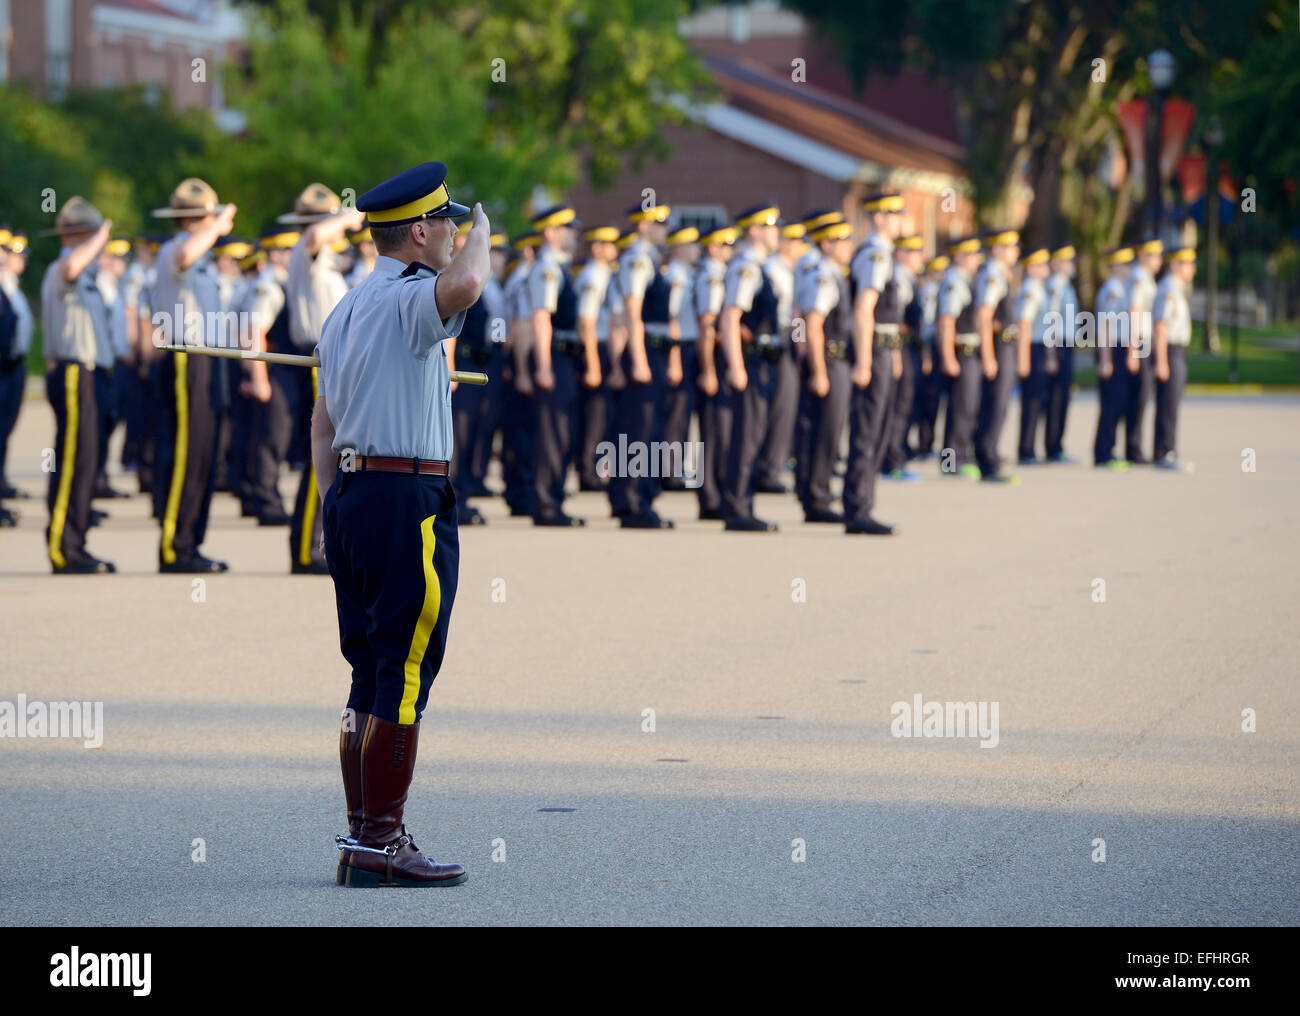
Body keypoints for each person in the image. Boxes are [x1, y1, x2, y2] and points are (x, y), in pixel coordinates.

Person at [322, 160, 484, 889]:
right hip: (402, 498)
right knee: (406, 673)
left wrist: (332, 508)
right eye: (447, 223)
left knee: (370, 673)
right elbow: (466, 286)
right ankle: (383, 844)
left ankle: (365, 839)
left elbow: (323, 423)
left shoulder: (348, 307)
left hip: (354, 496)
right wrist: (485, 232)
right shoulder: (415, 292)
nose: (453, 234)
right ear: (421, 231)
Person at [282, 184, 366, 573]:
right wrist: (353, 213)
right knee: (322, 455)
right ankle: (305, 550)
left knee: (330, 455)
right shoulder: (308, 248)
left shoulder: (326, 257)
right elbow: (317, 234)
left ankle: (318, 543)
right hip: (318, 357)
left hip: (333, 359)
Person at [39, 198, 116, 572]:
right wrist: (100, 238)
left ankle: (75, 542)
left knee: (85, 461)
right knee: (72, 462)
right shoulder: (64, 267)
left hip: (88, 374)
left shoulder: (84, 274)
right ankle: (63, 546)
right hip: (73, 373)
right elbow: (72, 264)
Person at [842, 192, 905, 534]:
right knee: (867, 431)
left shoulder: (882, 253)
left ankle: (864, 504)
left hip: (882, 348)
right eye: (894, 215)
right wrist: (865, 362)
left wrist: (893, 353)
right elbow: (864, 310)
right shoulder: (875, 255)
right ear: (878, 218)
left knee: (877, 430)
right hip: (872, 350)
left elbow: (888, 316)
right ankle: (857, 509)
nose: (900, 220)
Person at [719, 204, 783, 532]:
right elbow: (730, 316)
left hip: (762, 360)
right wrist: (736, 365)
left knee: (755, 434)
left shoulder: (759, 266)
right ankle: (736, 508)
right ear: (755, 231)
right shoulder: (746, 267)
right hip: (751, 360)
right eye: (771, 227)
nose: (778, 233)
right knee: (745, 436)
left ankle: (743, 504)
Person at [610, 200, 674, 528]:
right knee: (638, 431)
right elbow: (631, 313)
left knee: (649, 430)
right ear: (644, 226)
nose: (666, 230)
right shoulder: (637, 259)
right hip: (645, 351)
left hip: (654, 351)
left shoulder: (650, 259)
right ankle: (633, 502)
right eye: (660, 224)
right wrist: (638, 360)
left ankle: (638, 498)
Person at [528, 204, 587, 526]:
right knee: (552, 433)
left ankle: (554, 499)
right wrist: (545, 366)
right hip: (553, 356)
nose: (574, 236)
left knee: (563, 432)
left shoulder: (560, 267)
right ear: (551, 233)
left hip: (564, 356)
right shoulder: (547, 268)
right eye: (567, 230)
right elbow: (541, 318)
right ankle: (546, 504)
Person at [794, 214, 854, 523]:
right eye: (843, 240)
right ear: (827, 243)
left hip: (825, 359)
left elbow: (799, 320)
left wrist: (802, 350)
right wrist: (818, 370)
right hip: (829, 361)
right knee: (825, 431)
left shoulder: (820, 270)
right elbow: (813, 323)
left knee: (815, 428)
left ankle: (811, 492)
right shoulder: (823, 274)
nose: (849, 246)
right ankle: (817, 498)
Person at [755, 221, 807, 493]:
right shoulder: (773, 268)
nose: (799, 246)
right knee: (778, 407)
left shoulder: (795, 269)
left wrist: (800, 345)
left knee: (787, 407)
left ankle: (775, 464)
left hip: (790, 338)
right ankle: (768, 469)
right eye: (795, 240)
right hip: (775, 338)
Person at [693, 224, 736, 521]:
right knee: (714, 432)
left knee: (721, 431)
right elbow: (707, 325)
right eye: (726, 245)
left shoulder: (720, 274)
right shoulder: (712, 276)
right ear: (713, 247)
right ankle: (710, 497)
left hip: (718, 359)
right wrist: (708, 370)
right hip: (712, 361)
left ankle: (715, 493)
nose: (730, 251)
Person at [573, 225, 621, 492]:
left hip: (603, 347)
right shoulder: (593, 275)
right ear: (597, 247)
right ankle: (588, 470)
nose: (614, 249)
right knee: (594, 414)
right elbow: (587, 322)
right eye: (608, 243)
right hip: (594, 348)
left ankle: (594, 467)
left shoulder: (606, 273)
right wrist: (593, 363)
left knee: (602, 414)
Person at [972, 229, 1021, 483]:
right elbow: (984, 315)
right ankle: (986, 460)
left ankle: (990, 454)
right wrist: (989, 356)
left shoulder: (1001, 274)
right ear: (997, 249)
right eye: (1011, 247)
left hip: (1006, 346)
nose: (1016, 251)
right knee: (994, 404)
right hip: (998, 348)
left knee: (1000, 405)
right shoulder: (992, 274)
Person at [937, 236, 983, 479]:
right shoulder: (954, 281)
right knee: (959, 410)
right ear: (959, 256)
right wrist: (948, 358)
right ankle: (951, 462)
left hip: (969, 352)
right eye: (972, 254)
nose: (976, 260)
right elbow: (947, 321)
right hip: (961, 354)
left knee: (966, 409)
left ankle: (959, 457)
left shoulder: (965, 280)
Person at [501, 230, 540, 517]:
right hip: (522, 359)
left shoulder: (521, 277)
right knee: (523, 432)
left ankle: (521, 491)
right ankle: (521, 492)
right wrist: (523, 370)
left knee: (522, 431)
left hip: (516, 359)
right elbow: (520, 326)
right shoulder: (526, 278)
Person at [881, 234, 926, 482]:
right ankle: (891, 459)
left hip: (909, 348)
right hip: (899, 348)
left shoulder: (907, 278)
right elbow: (896, 322)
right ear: (901, 254)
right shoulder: (898, 278)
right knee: (898, 405)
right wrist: (897, 354)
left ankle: (896, 454)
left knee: (905, 404)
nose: (919, 257)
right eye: (914, 252)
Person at [660, 225, 700, 491]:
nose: (697, 249)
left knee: (683, 412)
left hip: (688, 346)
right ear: (679, 248)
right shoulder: (675, 275)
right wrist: (674, 359)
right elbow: (671, 317)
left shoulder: (686, 274)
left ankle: (675, 466)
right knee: (675, 412)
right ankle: (669, 470)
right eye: (692, 244)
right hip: (679, 347)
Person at [0, 230, 33, 526]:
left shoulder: (9, 285)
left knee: (4, 431)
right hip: (3, 366)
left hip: (12, 365)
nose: (17, 257)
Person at [1152, 246, 1196, 470]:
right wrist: (1161, 362)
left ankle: (1164, 451)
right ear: (1175, 265)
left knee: (1171, 403)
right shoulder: (1169, 288)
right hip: (1170, 351)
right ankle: (1165, 452)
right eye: (1188, 263)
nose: (1192, 268)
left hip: (1176, 351)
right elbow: (1161, 326)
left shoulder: (1175, 288)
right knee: (1168, 404)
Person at [1093, 247, 1135, 470]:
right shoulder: (1113, 290)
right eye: (1125, 264)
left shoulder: (1120, 288)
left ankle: (1107, 450)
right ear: (1114, 266)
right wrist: (1106, 359)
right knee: (1111, 403)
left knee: (1117, 401)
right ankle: (1104, 452)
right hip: (1111, 348)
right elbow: (1106, 326)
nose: (1129, 268)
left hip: (1116, 348)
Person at [1123, 238, 1163, 464]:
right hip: (1140, 343)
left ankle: (1134, 447)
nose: (1158, 260)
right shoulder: (1139, 278)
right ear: (1143, 257)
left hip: (1144, 343)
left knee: (1141, 396)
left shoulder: (1145, 278)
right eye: (1154, 255)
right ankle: (1133, 448)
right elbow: (1134, 312)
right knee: (1138, 397)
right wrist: (1133, 350)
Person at [1015, 246, 1052, 464]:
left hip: (1039, 347)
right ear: (1031, 268)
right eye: (1041, 264)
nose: (1046, 268)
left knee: (1037, 400)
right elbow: (1024, 323)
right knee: (1031, 401)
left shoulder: (1038, 287)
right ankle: (1026, 449)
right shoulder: (1031, 288)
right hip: (1032, 348)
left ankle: (1029, 448)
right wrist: (1024, 357)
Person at [908, 254, 947, 461]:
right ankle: (922, 445)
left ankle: (925, 445)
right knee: (925, 400)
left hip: (929, 346)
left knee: (930, 401)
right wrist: (926, 355)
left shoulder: (930, 289)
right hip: (927, 347)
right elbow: (926, 325)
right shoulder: (931, 291)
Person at [1043, 245, 1079, 463]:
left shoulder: (1065, 285)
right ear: (1056, 264)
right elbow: (1052, 320)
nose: (1071, 264)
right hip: (1058, 345)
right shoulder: (1056, 285)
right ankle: (1052, 448)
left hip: (1065, 344)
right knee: (1056, 399)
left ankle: (1056, 445)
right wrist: (1051, 354)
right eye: (1067, 261)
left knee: (1062, 398)